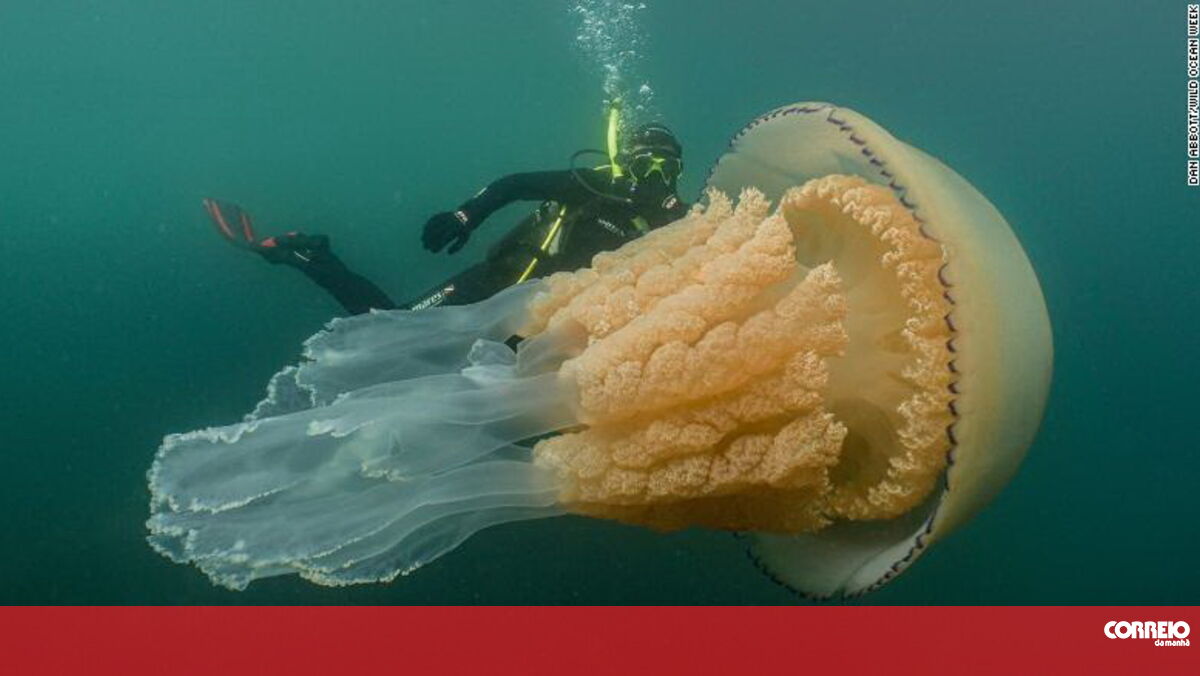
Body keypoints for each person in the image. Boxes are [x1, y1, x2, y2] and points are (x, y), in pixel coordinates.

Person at [205, 122, 688, 314]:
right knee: (391, 329)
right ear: (627, 161)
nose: (655, 177)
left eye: (667, 169)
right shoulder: (598, 184)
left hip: (551, 324)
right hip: (498, 283)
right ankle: (310, 255)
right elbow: (515, 183)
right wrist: (466, 215)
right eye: (646, 164)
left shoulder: (679, 221)